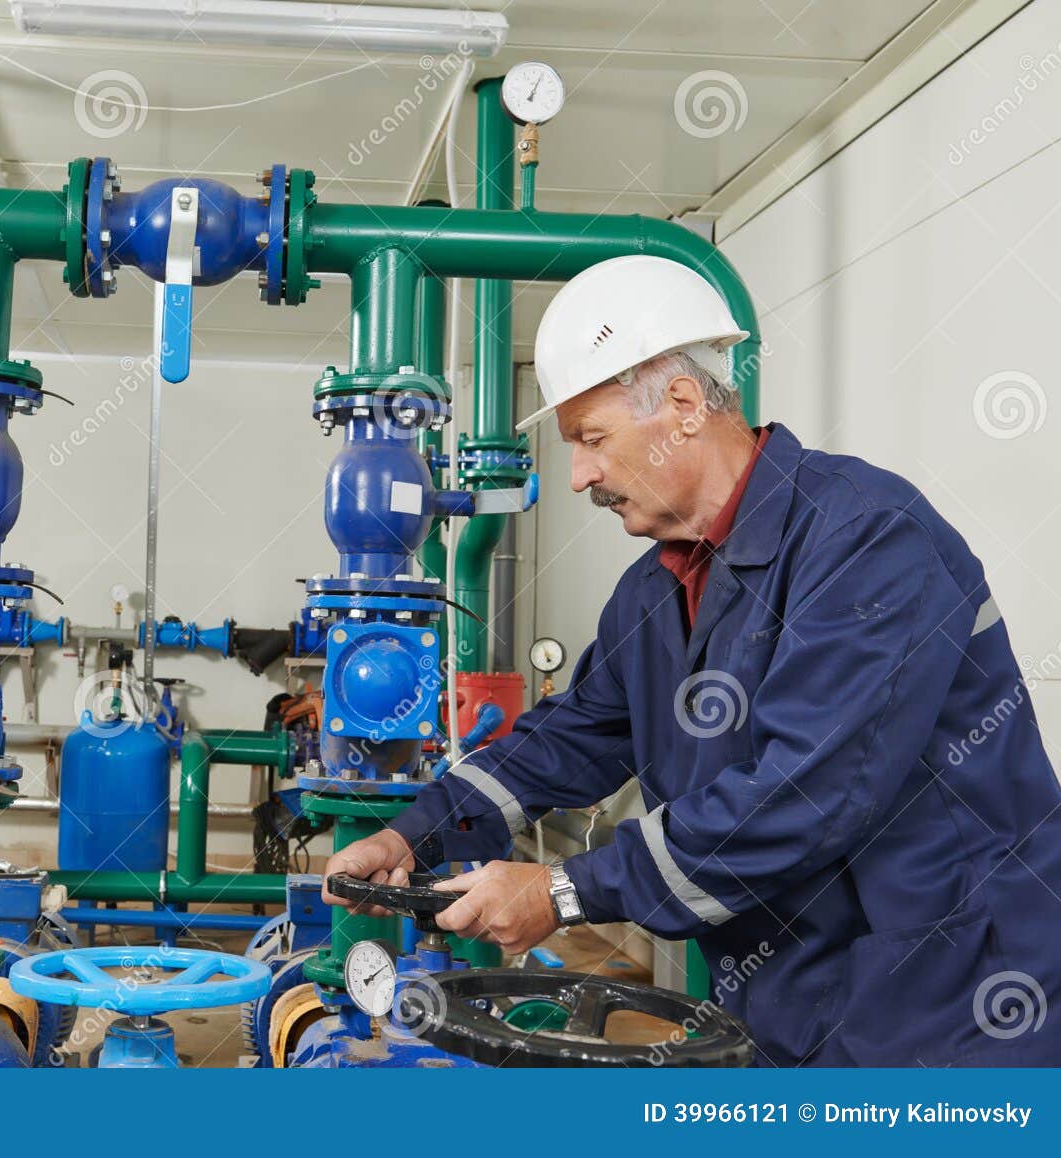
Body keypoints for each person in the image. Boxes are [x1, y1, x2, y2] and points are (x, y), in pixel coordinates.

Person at [323, 254, 1061, 1065]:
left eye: (592, 439)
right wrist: (418, 833)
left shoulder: (866, 538)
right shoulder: (655, 589)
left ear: (681, 406)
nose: (579, 476)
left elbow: (805, 794)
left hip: (958, 1001)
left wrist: (564, 890)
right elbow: (572, 737)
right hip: (793, 999)